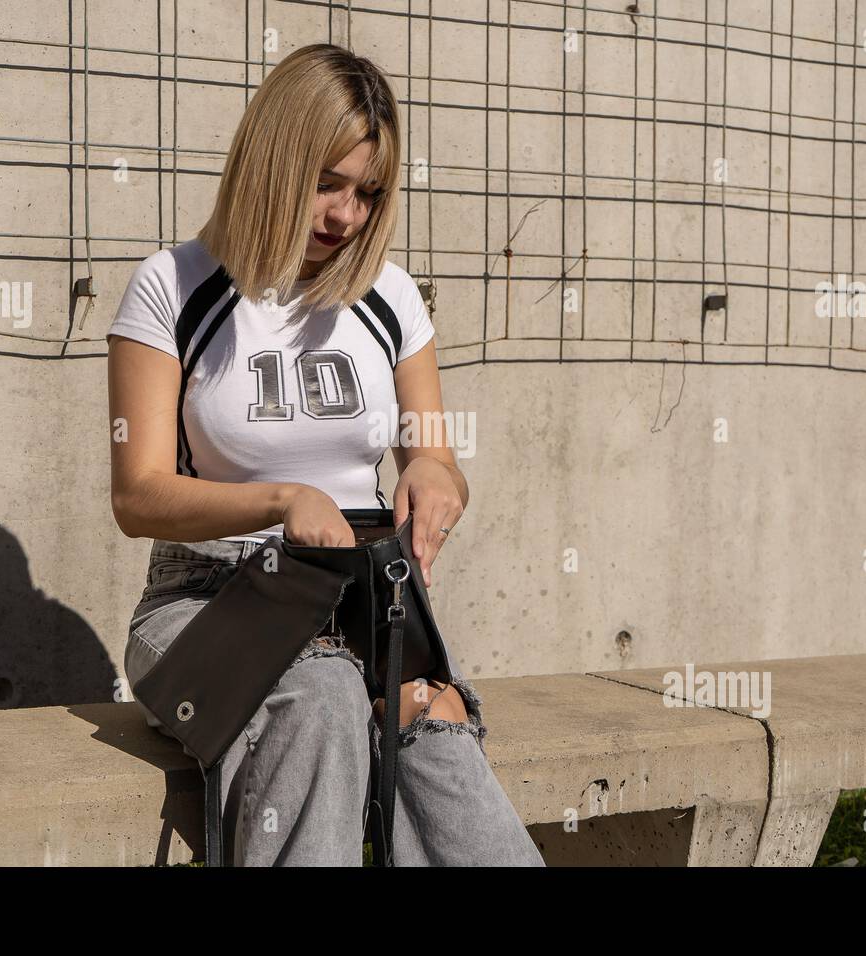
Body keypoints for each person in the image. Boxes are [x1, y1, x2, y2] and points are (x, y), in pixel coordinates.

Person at [106, 42, 544, 866]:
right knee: (322, 698)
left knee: (437, 738)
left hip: (363, 605)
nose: (346, 215)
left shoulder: (392, 297)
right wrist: (280, 500)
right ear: (274, 159)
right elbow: (138, 496)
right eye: (327, 182)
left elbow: (437, 462)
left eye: (368, 192)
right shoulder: (172, 286)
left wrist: (433, 475)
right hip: (207, 601)